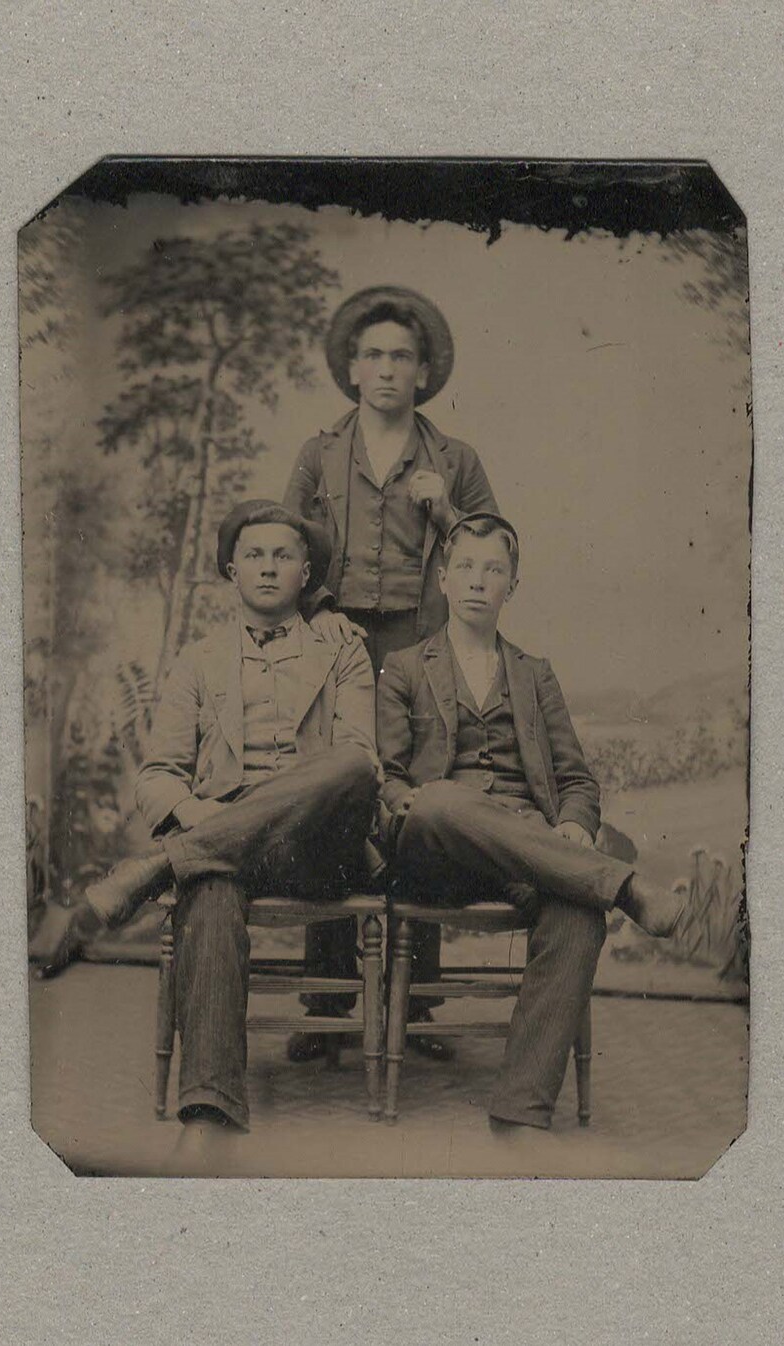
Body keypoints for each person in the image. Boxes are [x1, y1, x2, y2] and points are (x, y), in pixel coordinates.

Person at [43, 501, 379, 1168]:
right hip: (227, 844)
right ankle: (210, 1113)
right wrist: (205, 822)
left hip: (322, 849)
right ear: (231, 570)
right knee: (212, 887)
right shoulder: (197, 662)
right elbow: (160, 774)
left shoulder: (342, 652)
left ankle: (150, 870)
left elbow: (361, 763)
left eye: (283, 554)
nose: (268, 566)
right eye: (254, 554)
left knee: (346, 764)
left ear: (305, 570)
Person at [376, 513, 701, 1135]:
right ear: (442, 580)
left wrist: (575, 825)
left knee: (577, 911)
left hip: (527, 851)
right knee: (442, 799)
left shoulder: (533, 673)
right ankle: (623, 884)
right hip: (435, 850)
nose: (477, 581)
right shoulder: (405, 667)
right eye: (465, 567)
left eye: (493, 570)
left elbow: (576, 780)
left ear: (512, 586)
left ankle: (520, 1112)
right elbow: (389, 781)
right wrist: (418, 804)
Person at [282, 285, 499, 1061]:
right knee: (335, 799)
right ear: (350, 367)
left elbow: (490, 555)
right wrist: (319, 618)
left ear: (423, 369)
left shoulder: (456, 460)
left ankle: (417, 1009)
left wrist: (444, 512)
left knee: (421, 799)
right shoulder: (318, 454)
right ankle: (324, 1006)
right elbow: (286, 555)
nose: (385, 369)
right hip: (338, 648)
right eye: (371, 354)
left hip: (422, 650)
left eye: (400, 356)